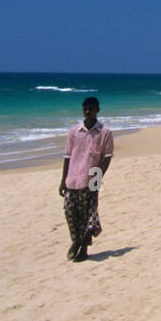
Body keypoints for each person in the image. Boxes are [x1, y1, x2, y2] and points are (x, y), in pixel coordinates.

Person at [59, 97, 113, 262]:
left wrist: (96, 181)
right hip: (72, 180)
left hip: (90, 181)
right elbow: (68, 156)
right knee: (70, 213)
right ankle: (76, 241)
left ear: (98, 110)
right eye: (85, 109)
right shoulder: (74, 132)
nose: (88, 112)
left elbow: (106, 158)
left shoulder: (104, 133)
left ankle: (83, 249)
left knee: (88, 216)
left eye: (91, 109)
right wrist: (63, 181)